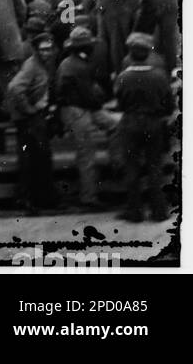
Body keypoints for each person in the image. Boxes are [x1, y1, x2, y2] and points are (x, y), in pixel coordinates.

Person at [55, 26, 119, 209]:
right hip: (76, 110)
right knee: (87, 155)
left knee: (114, 125)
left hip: (81, 108)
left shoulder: (71, 62)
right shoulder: (78, 65)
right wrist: (100, 101)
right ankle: (89, 196)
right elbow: (87, 96)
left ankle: (117, 163)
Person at [113, 33, 174, 223]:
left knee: (132, 168)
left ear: (130, 53)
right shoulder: (160, 76)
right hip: (154, 124)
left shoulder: (123, 77)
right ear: (148, 53)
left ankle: (134, 211)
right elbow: (169, 105)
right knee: (154, 168)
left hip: (130, 123)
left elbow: (120, 104)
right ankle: (159, 211)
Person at [7, 32, 60, 215]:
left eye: (49, 49)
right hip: (29, 119)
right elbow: (14, 88)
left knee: (42, 158)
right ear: (36, 50)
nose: (47, 53)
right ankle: (27, 200)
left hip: (37, 116)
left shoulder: (43, 64)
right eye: (43, 49)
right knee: (30, 160)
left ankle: (42, 199)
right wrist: (29, 109)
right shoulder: (31, 66)